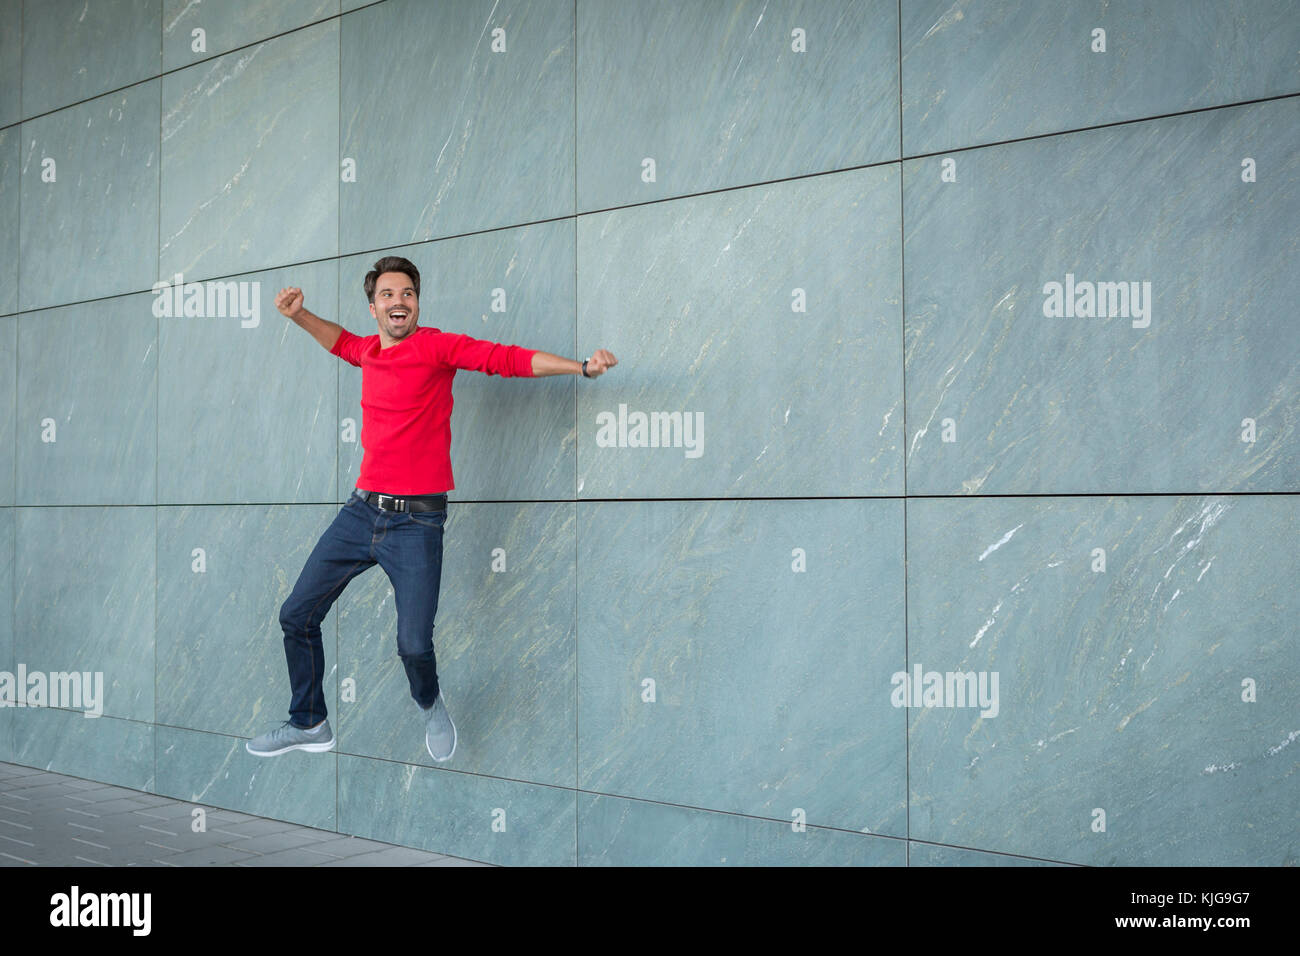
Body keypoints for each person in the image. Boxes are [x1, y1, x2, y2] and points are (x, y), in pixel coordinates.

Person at [247, 255, 617, 761]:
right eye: (388, 295)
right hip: (361, 513)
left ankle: (429, 701)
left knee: (414, 646)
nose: (399, 302)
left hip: (417, 522)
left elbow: (506, 359)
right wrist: (298, 316)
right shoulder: (367, 351)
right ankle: (309, 721)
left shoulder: (437, 347)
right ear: (373, 307)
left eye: (407, 294)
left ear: (417, 303)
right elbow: (338, 340)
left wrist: (581, 368)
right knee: (296, 614)